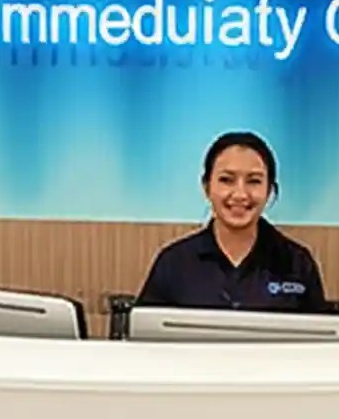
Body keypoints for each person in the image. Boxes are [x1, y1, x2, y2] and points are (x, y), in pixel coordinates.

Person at [136, 131, 327, 313]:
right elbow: (144, 330)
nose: (240, 194)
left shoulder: (298, 263)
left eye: (254, 181)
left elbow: (320, 333)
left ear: (269, 190)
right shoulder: (173, 263)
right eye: (227, 180)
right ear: (207, 187)